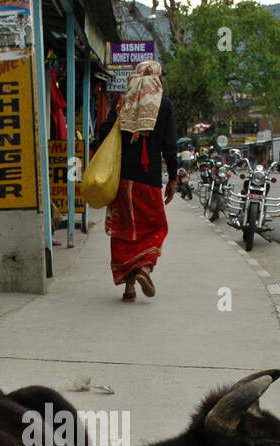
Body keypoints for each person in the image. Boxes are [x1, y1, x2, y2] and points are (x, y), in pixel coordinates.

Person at [95, 61, 177, 303]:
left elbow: (104, 132)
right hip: (149, 180)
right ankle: (145, 268)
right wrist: (173, 177)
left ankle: (129, 288)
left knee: (123, 231)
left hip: (121, 180)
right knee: (154, 227)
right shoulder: (165, 105)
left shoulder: (123, 102)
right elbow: (170, 147)